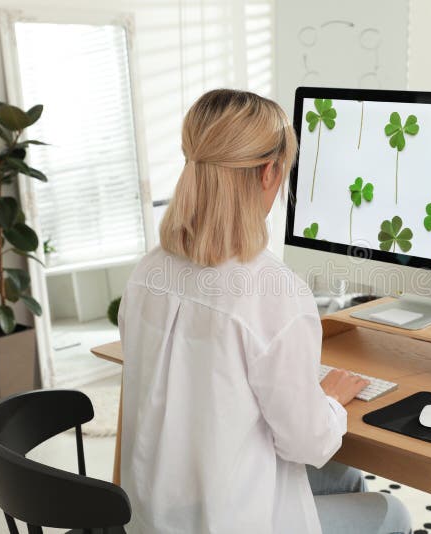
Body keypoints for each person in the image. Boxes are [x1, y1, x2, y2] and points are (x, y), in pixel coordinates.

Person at [118, 89, 412, 534]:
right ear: (270, 172)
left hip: (156, 515)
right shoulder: (274, 292)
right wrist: (329, 400)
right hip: (227, 524)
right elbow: (308, 443)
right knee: (392, 513)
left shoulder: (148, 271)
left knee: (346, 480)